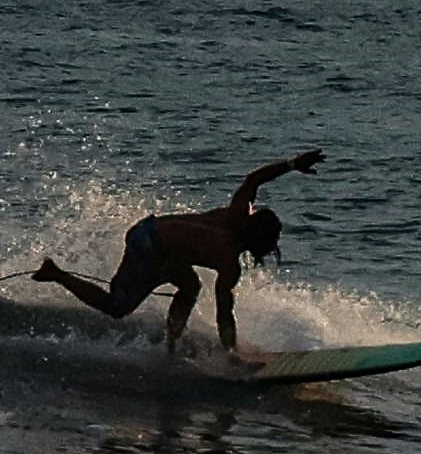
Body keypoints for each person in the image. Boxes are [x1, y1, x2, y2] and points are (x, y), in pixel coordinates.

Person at [31, 151, 329, 357]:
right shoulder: (228, 261)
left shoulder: (239, 211)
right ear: (258, 240)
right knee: (116, 307)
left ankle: (171, 348)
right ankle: (55, 273)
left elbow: (254, 180)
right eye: (272, 241)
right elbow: (224, 314)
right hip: (147, 243)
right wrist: (231, 356)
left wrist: (292, 164)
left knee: (190, 286)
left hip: (150, 232)